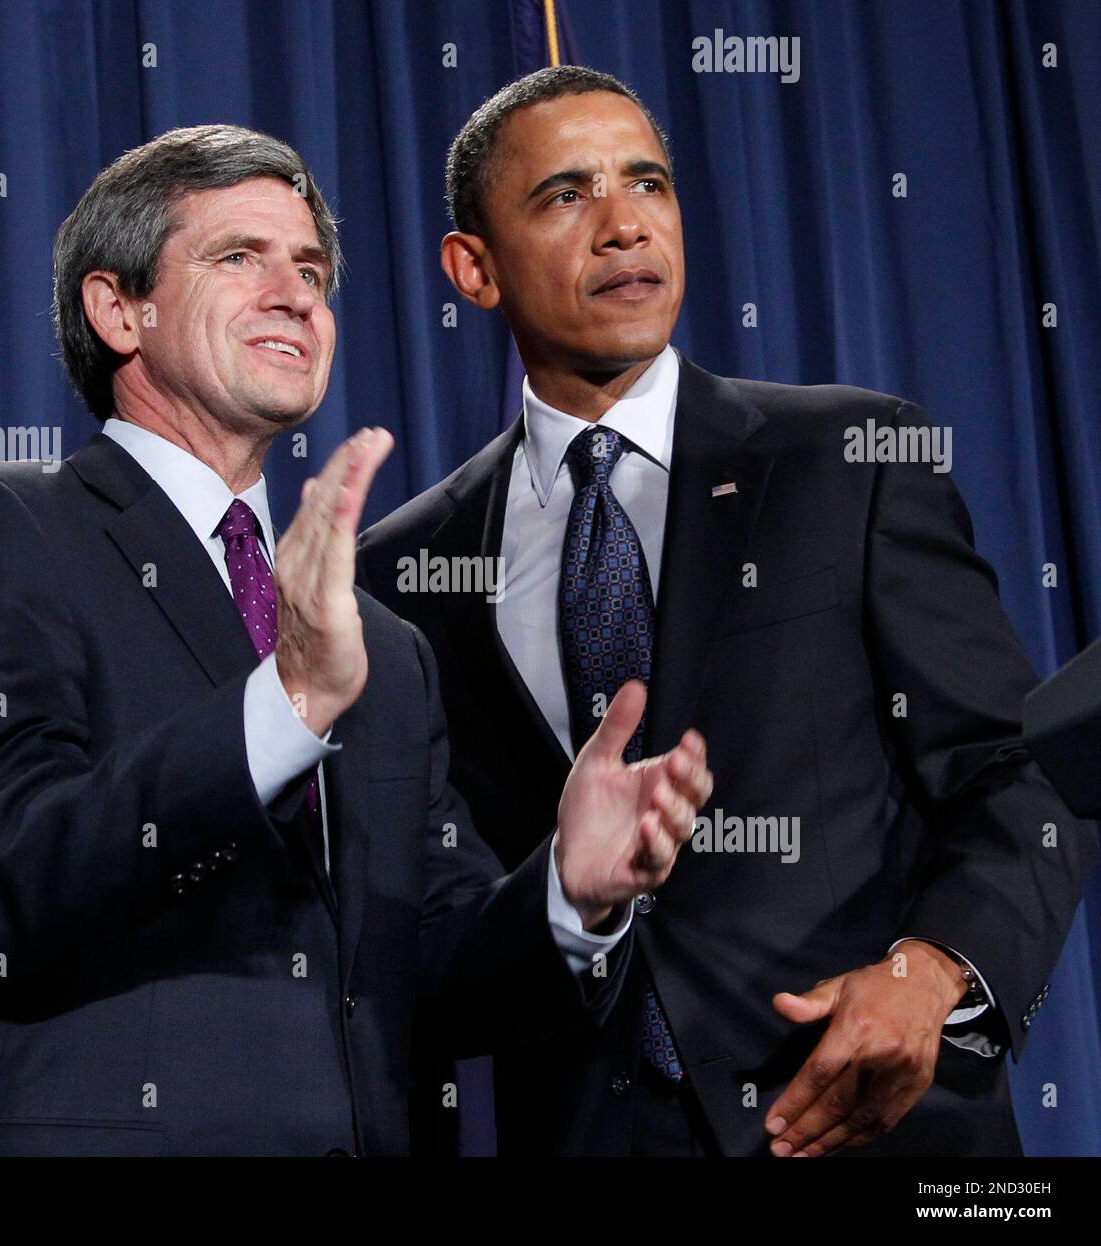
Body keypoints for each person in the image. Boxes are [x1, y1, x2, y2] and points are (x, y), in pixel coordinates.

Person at [0, 123, 714, 1157]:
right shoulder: (0, 526)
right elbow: (1, 876)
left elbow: (427, 974)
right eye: (240, 257)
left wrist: (567, 893)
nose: (296, 297)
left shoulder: (383, 651)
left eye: (312, 271)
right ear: (118, 309)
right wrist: (287, 708)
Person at [357, 67, 1097, 1157]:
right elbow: (429, 927)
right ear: (474, 268)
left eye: (646, 183)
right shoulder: (403, 569)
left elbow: (1014, 771)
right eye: (565, 194)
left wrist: (935, 972)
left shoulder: (848, 460)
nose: (623, 225)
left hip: (870, 1127)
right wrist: (564, 905)